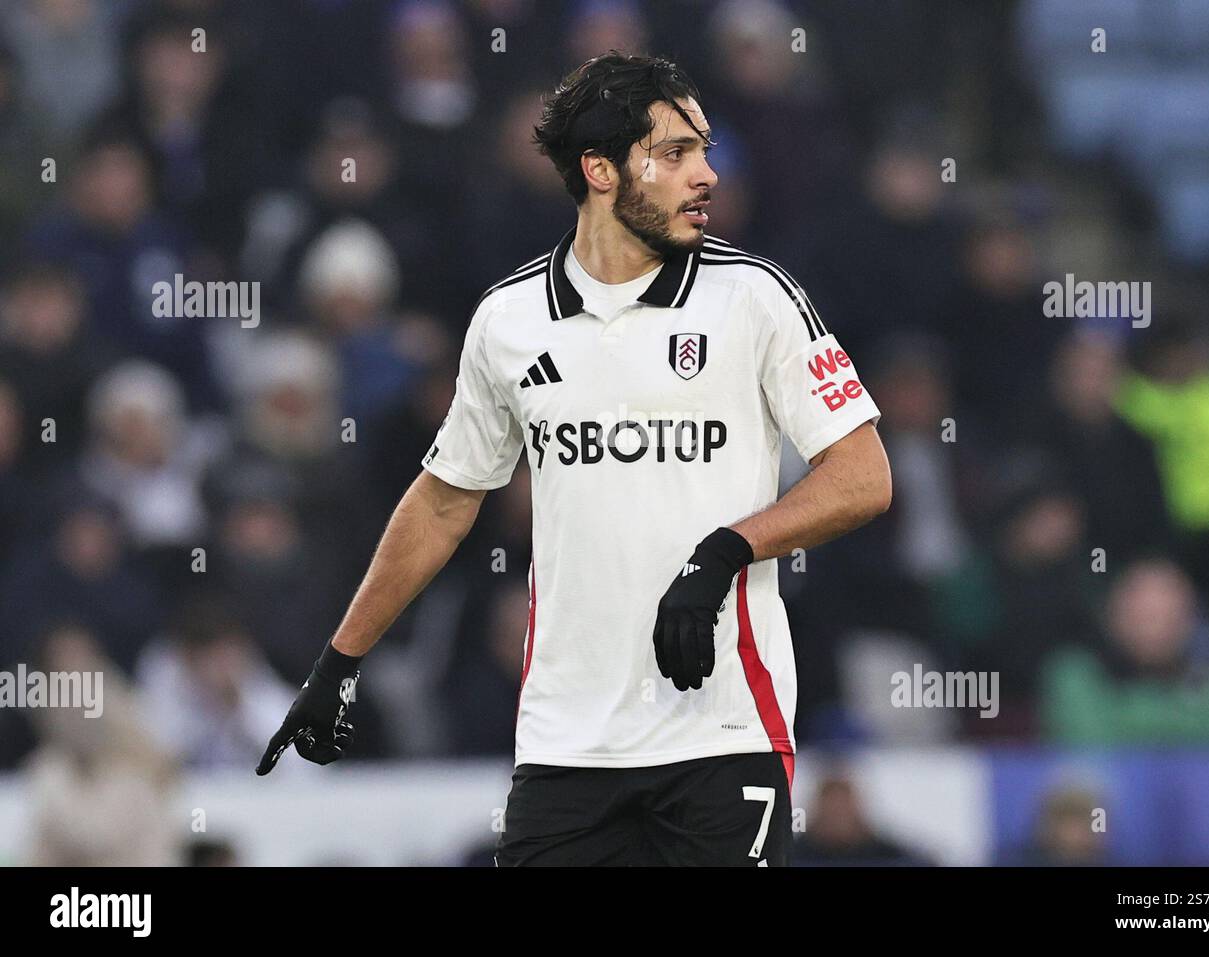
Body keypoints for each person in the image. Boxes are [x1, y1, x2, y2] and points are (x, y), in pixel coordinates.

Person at [256, 51, 892, 867]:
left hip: (722, 732)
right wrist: (338, 661)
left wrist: (726, 549)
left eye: (705, 151)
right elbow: (447, 498)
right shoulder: (509, 320)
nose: (706, 175)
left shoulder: (754, 296)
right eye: (675, 154)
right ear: (599, 169)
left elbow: (864, 475)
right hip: (566, 747)